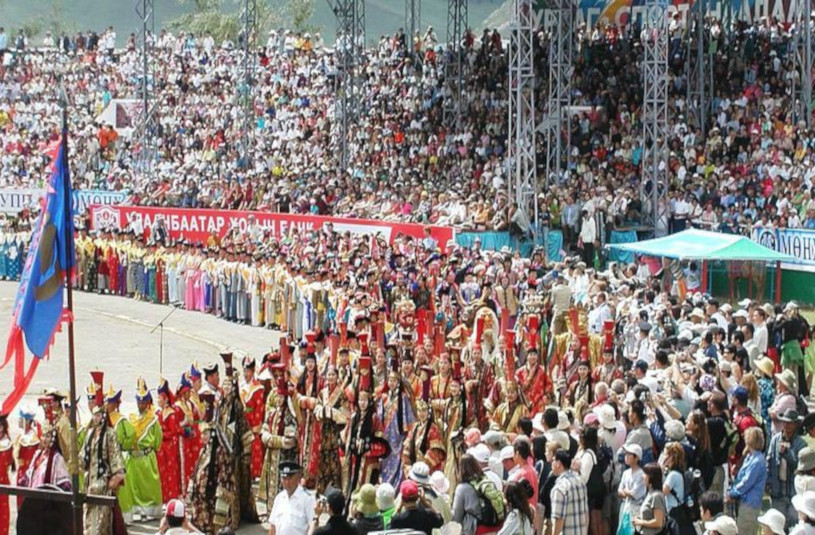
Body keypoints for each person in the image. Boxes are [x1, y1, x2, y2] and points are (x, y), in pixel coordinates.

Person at [120, 378, 163, 523]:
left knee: (148, 486)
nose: (141, 405)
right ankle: (137, 511)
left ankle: (150, 511)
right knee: (133, 486)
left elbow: (158, 439)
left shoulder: (153, 419)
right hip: (133, 458)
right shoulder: (131, 418)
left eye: (144, 402)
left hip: (146, 457)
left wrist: (150, 450)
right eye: (139, 402)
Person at [82, 405, 126, 535]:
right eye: (94, 415)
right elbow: (83, 456)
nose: (96, 418)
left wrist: (117, 476)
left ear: (104, 416)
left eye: (98, 415)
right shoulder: (89, 433)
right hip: (89, 485)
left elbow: (115, 456)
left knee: (101, 525)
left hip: (103, 485)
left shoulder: (110, 434)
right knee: (87, 523)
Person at [768, 408, 806, 526]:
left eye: (789, 422)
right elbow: (769, 461)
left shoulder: (801, 444)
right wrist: (768, 481)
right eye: (784, 421)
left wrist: (787, 454)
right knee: (777, 526)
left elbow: (800, 467)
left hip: (793, 493)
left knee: (794, 526)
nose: (786, 425)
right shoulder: (775, 439)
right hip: (777, 491)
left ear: (795, 424)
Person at [727, 427, 767, 535]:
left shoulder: (757, 461)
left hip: (750, 504)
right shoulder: (751, 457)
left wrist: (731, 494)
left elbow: (746, 482)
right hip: (744, 502)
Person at [268, 461, 315, 535]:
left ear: (297, 477)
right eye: (284, 478)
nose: (287, 482)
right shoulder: (279, 498)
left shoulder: (307, 499)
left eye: (290, 478)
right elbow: (272, 527)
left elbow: (313, 526)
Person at [551, 449, 589, 535]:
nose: (551, 463)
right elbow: (586, 514)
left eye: (553, 460)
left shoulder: (560, 488)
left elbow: (559, 520)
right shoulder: (581, 482)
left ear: (558, 464)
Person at [632, 463, 666, 535]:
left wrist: (641, 522)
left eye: (645, 474)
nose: (642, 476)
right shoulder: (650, 493)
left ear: (651, 477)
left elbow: (658, 522)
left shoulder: (656, 496)